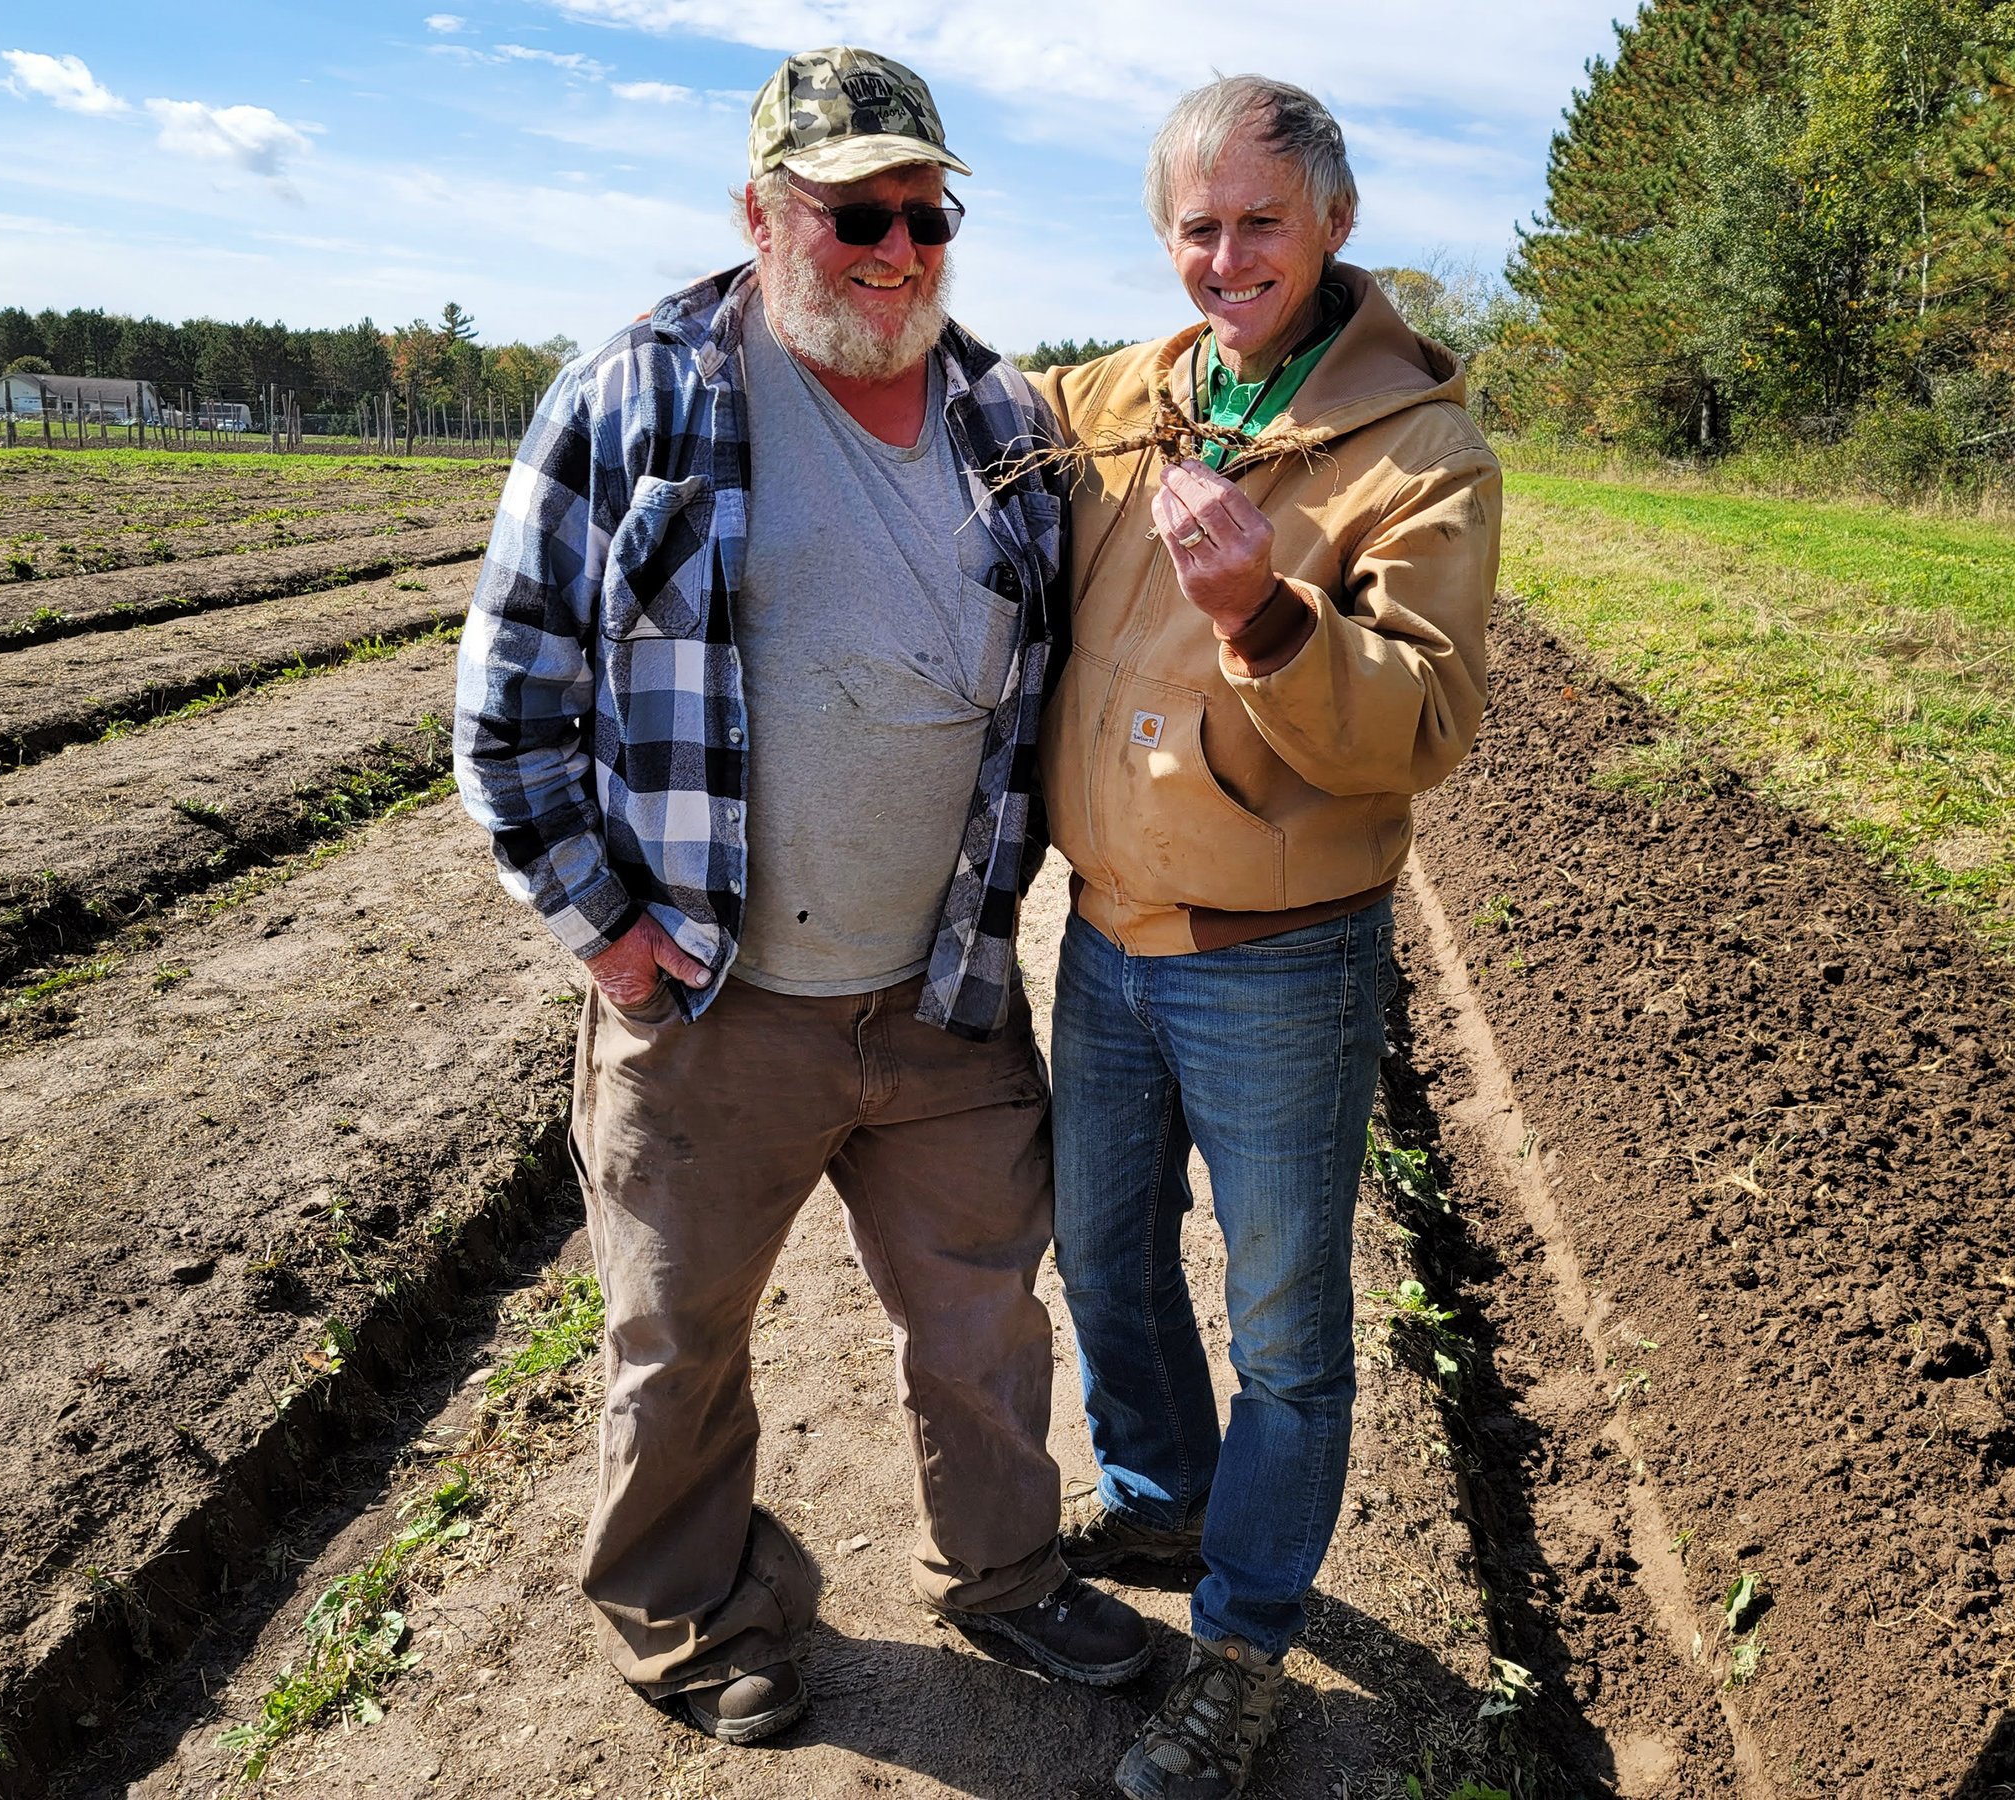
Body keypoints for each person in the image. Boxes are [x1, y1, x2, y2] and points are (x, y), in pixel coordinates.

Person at [451, 44, 1148, 1747]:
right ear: (765, 212)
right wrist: (611, 937)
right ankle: (693, 1620)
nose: (899, 252)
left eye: (927, 214)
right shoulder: (638, 394)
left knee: (984, 1320)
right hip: (708, 1001)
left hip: (939, 998)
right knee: (673, 1343)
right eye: (858, 216)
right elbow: (506, 707)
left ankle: (1000, 1574)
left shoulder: (999, 418)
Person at [1026, 75, 1501, 1799]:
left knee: (1290, 1324)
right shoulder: (1131, 398)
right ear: (1166, 241)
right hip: (1105, 934)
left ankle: (1242, 1646)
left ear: (1335, 227)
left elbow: (1426, 725)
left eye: (1262, 223)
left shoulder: (1418, 453)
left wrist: (1263, 610)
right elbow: (952, 400)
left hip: (1280, 961)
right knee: (1103, 1249)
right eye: (1198, 227)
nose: (1228, 257)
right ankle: (1159, 1502)